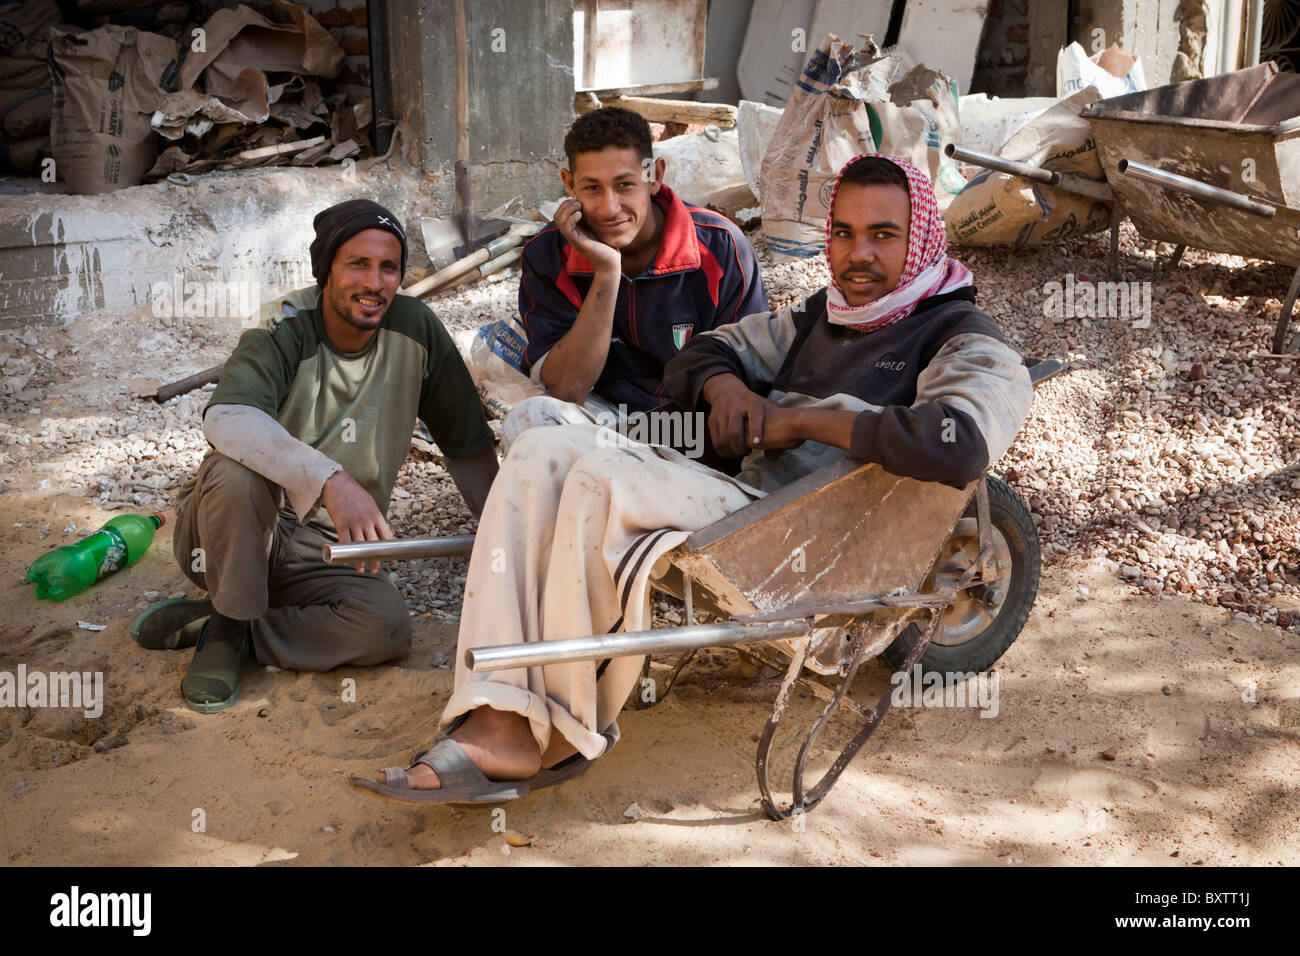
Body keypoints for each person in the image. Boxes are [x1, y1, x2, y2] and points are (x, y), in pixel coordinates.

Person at [350, 154, 1033, 804]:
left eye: (883, 236)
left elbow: (960, 440)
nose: (857, 256)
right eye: (845, 234)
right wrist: (726, 388)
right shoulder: (817, 320)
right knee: (538, 444)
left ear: (918, 243)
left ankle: (554, 731)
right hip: (748, 516)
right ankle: (497, 707)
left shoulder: (960, 336)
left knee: (598, 479)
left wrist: (803, 422)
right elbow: (707, 352)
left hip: (808, 534)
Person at [132, 199, 499, 714]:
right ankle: (225, 626)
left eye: (388, 267)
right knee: (237, 471)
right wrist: (331, 479)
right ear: (326, 269)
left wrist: (508, 542)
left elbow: (469, 447)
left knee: (385, 628)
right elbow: (227, 418)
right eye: (357, 264)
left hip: (333, 547)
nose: (374, 282)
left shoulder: (416, 328)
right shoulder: (283, 324)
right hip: (241, 534)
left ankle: (235, 630)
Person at [505, 106, 768, 466]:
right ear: (569, 184)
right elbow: (567, 389)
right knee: (529, 421)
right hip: (606, 423)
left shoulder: (720, 245)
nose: (609, 208)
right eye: (591, 188)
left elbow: (751, 373)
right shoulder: (547, 254)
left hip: (693, 428)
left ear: (654, 175)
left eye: (625, 185)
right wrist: (607, 272)